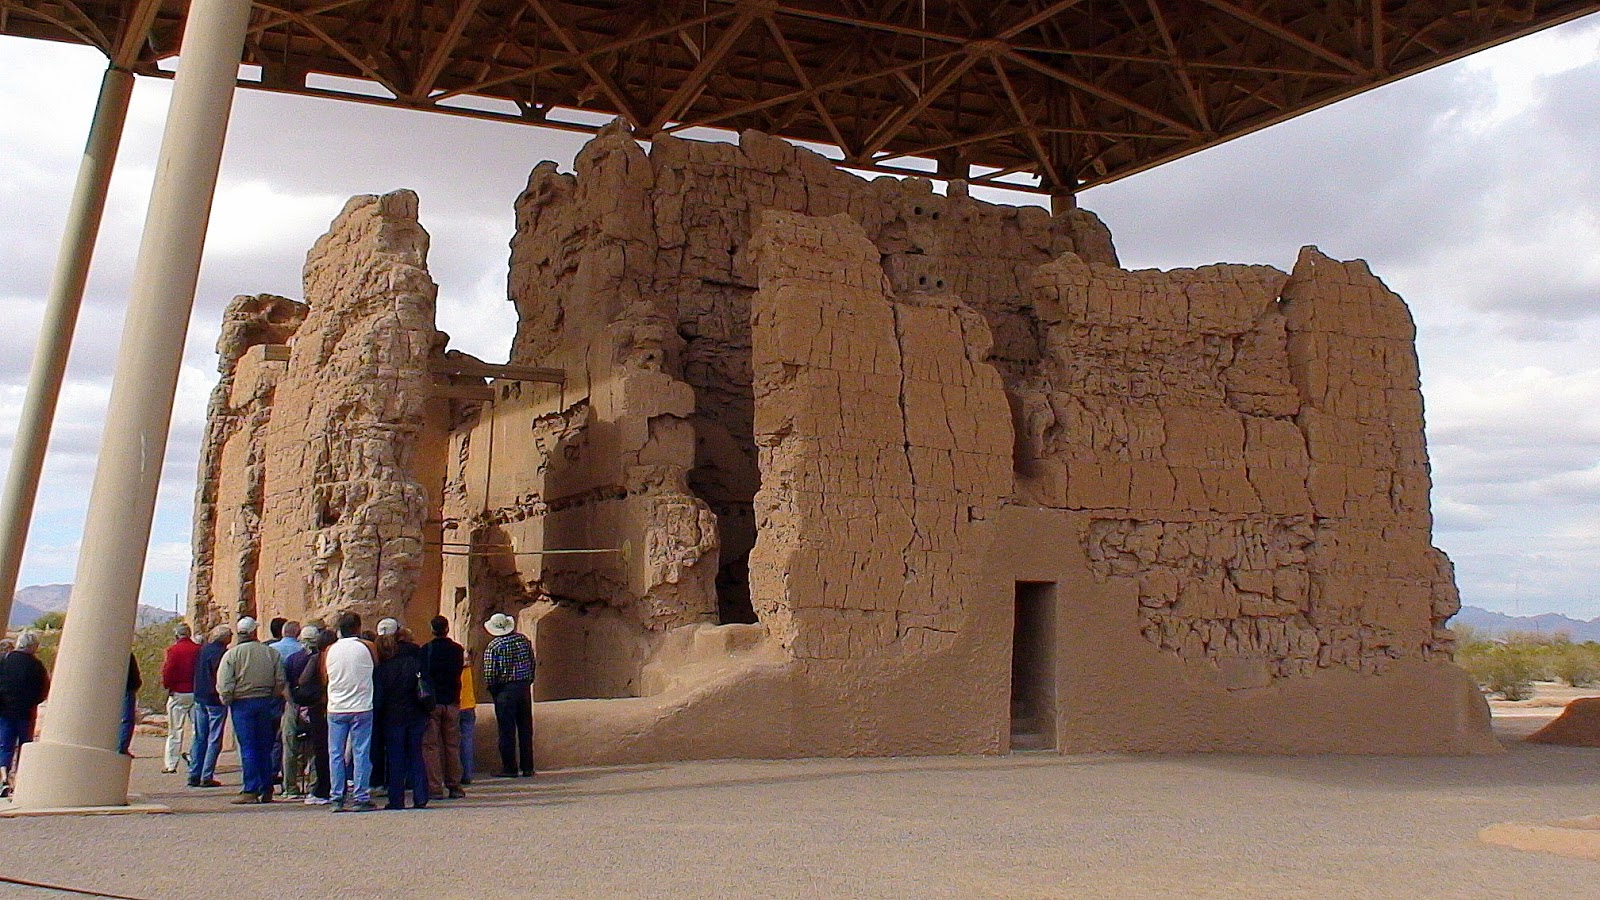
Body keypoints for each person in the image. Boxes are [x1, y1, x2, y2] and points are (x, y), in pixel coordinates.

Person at [217, 616, 286, 804]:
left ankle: (250, 789)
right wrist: (272, 695)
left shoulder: (231, 655)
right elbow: (280, 680)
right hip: (265, 702)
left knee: (248, 747)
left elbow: (225, 683)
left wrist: (228, 700)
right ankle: (266, 787)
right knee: (265, 746)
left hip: (242, 704)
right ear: (254, 632)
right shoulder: (270, 653)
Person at [323, 611, 379, 813]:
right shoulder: (367, 646)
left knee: (336, 753)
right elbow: (375, 667)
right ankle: (360, 795)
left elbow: (325, 676)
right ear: (358, 627)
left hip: (337, 706)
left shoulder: (330, 650)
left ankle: (336, 796)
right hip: (362, 705)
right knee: (361, 752)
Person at [375, 629, 430, 810]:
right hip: (415, 714)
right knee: (416, 755)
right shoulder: (413, 663)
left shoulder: (382, 670)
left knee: (395, 758)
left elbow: (379, 699)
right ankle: (420, 796)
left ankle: (396, 799)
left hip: (393, 717)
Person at [482, 612, 536, 778]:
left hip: (505, 690)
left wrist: (493, 689)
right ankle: (528, 767)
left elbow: (490, 673)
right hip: (523, 687)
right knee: (525, 728)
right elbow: (532, 663)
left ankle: (510, 767)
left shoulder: (494, 646)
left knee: (506, 730)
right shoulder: (523, 640)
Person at [421, 615, 466, 799]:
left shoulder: (426, 650)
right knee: (452, 746)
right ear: (447, 629)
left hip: (433, 702)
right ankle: (454, 785)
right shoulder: (457, 649)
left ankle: (434, 787)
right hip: (452, 700)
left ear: (432, 630)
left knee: (431, 746)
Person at [0, 630, 50, 795]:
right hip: (27, 713)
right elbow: (44, 689)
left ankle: (3, 778)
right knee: (25, 745)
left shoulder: (5, 660)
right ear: (33, 647)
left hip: (6, 711)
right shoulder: (37, 666)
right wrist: (33, 702)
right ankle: (21, 779)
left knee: (5, 746)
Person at [291, 627, 335, 805]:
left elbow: (302, 681)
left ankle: (323, 788)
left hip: (319, 707)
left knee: (322, 750)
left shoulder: (316, 659)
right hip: (337, 704)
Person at [188, 624, 232, 788]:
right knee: (214, 738)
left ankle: (194, 773)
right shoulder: (221, 654)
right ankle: (206, 775)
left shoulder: (203, 650)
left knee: (200, 736)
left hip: (200, 697)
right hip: (214, 699)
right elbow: (221, 677)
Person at [279, 623, 318, 799]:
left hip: (294, 704)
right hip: (315, 705)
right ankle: (314, 785)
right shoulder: (321, 658)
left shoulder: (293, 658)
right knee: (315, 748)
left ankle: (290, 787)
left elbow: (284, 684)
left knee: (290, 747)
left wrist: (292, 702)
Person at [159, 622, 200, 774]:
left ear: (177, 635)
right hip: (195, 693)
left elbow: (168, 671)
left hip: (178, 693)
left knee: (175, 730)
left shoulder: (173, 650)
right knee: (198, 729)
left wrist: (168, 686)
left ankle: (171, 764)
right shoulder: (198, 650)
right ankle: (195, 758)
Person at [266, 620, 302, 789]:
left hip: (272, 695)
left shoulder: (271, 650)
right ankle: (290, 774)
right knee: (290, 737)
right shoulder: (301, 650)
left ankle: (272, 771)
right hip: (294, 697)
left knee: (272, 735)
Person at [458, 650, 476, 785]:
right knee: (467, 741)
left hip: (455, 705)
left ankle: (454, 774)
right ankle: (468, 773)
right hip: (468, 705)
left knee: (451, 744)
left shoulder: (453, 669)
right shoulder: (467, 669)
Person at [118, 653, 142, 756]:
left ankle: (121, 746)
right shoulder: (126, 654)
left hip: (126, 688)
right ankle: (121, 747)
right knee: (127, 719)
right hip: (128, 689)